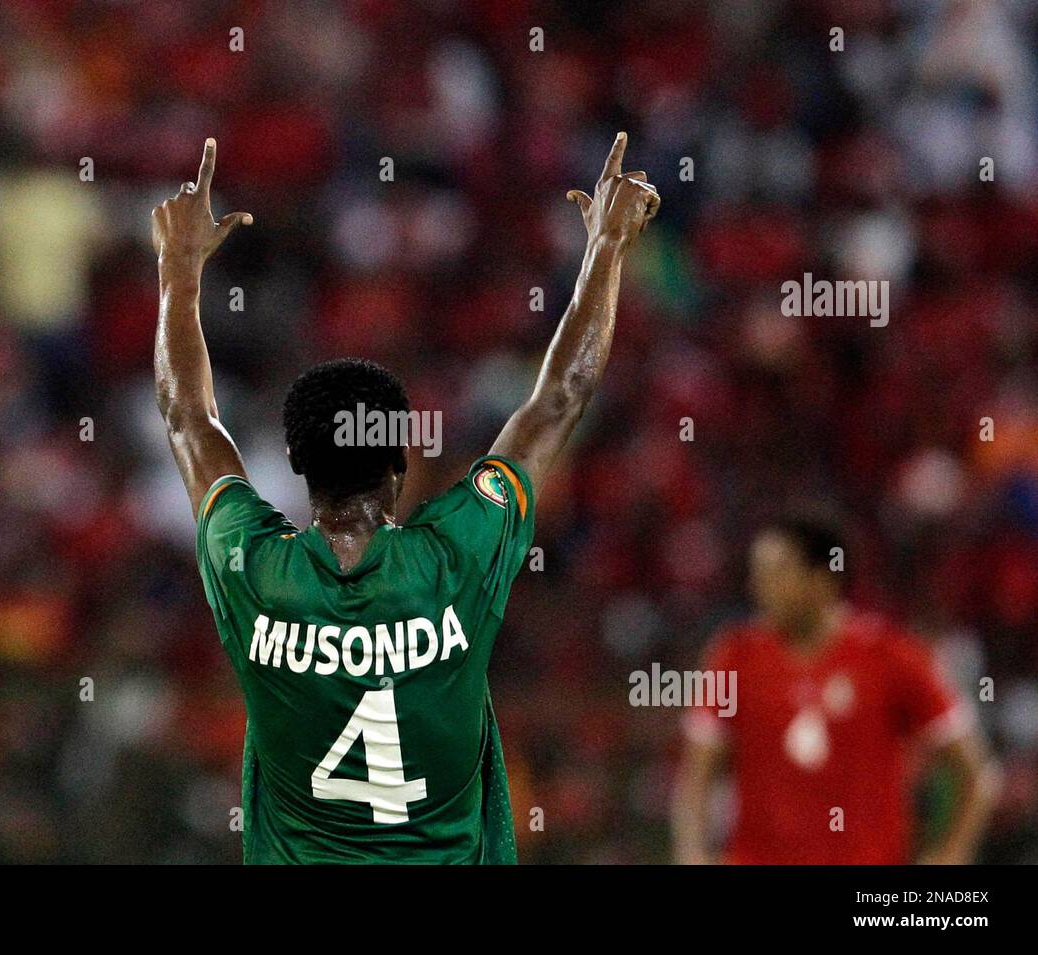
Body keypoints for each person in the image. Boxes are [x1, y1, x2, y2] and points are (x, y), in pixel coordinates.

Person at [151, 134, 658, 862]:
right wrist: (608, 244)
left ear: (294, 459)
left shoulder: (250, 564)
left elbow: (187, 418)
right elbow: (558, 400)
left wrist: (178, 265)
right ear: (400, 461)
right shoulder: (457, 552)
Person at [671, 515, 999, 864]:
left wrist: (950, 856)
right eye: (758, 573)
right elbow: (696, 777)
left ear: (824, 579)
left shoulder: (891, 657)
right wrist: (693, 854)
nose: (759, 586)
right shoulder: (736, 657)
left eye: (778, 572)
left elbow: (976, 774)